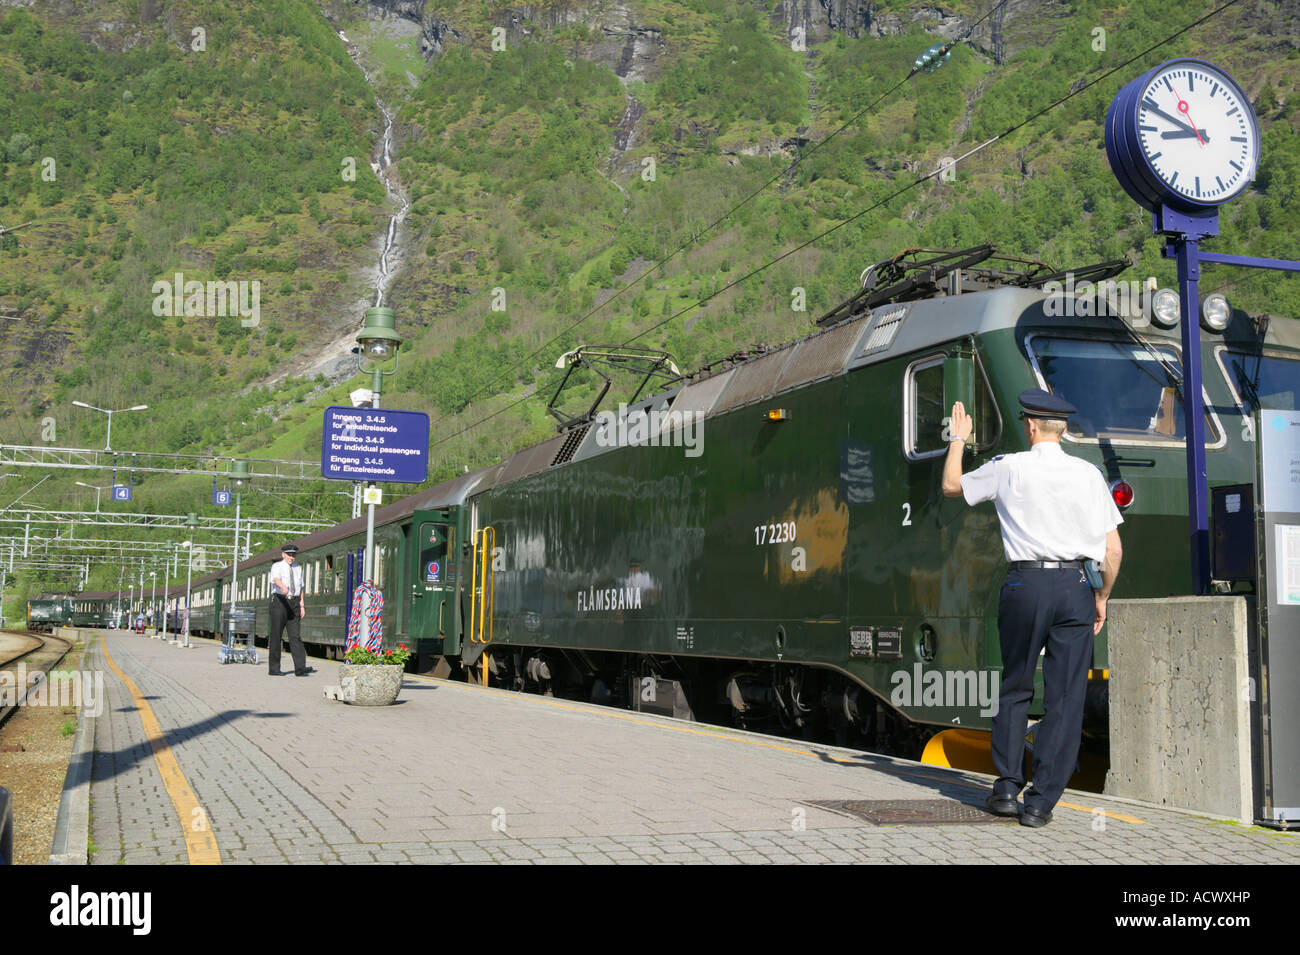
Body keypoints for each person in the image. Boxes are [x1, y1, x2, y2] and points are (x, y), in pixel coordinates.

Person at [942, 389, 1123, 828]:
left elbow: (951, 485)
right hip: (1075, 586)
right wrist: (1100, 597)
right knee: (1065, 697)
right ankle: (1040, 803)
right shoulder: (1089, 475)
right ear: (1063, 430)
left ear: (1029, 426)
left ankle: (1006, 788)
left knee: (1016, 683)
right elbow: (1112, 550)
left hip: (1025, 583)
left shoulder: (1008, 467)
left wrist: (958, 440)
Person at [268, 543, 314, 677]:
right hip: (280, 601)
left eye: (294, 555)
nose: (292, 557)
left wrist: (302, 606)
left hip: (294, 603)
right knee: (276, 635)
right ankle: (274, 669)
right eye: (289, 554)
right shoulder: (277, 566)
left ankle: (300, 668)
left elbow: (300, 588)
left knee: (295, 636)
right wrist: (282, 586)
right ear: (283, 554)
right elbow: (275, 579)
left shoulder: (298, 568)